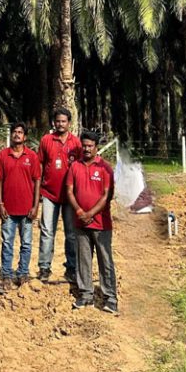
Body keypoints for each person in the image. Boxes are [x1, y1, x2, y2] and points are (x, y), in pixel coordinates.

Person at [66, 130, 118, 313]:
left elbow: (106, 196)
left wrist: (91, 213)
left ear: (97, 148)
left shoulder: (105, 168)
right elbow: (70, 190)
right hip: (80, 223)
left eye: (90, 146)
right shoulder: (75, 167)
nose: (87, 149)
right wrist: (80, 211)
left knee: (105, 261)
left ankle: (110, 298)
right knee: (83, 260)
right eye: (84, 146)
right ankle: (86, 295)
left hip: (101, 224)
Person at [37, 106, 82, 284]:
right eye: (58, 121)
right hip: (49, 193)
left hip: (70, 196)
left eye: (64, 121)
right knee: (47, 232)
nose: (60, 124)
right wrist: (38, 190)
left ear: (69, 123)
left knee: (71, 234)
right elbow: (40, 165)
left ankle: (71, 268)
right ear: (54, 123)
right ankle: (44, 268)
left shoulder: (76, 143)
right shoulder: (46, 140)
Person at [0, 122, 41, 293]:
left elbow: (37, 181)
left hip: (27, 210)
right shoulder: (2, 156)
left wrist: (36, 206)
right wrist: (0, 204)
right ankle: (6, 276)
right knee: (7, 243)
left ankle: (22, 274)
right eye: (14, 132)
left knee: (26, 244)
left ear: (25, 136)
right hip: (8, 210)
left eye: (20, 132)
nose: (17, 135)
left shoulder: (32, 156)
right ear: (11, 135)